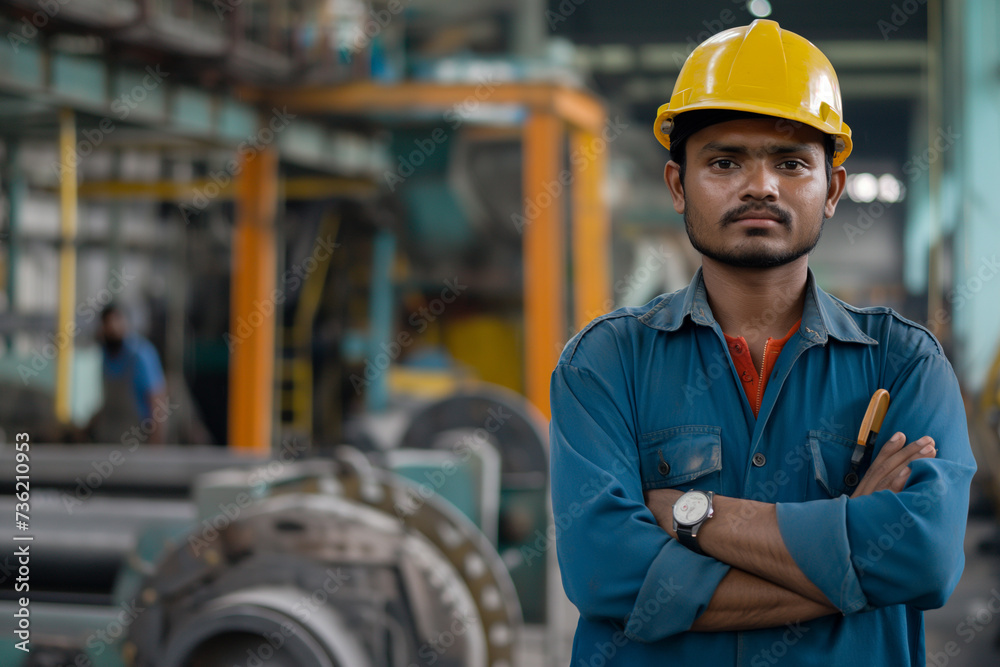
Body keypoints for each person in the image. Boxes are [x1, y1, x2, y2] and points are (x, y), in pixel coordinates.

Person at [549, 19, 976, 666]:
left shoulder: (905, 363)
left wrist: (693, 514)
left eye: (791, 162)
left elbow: (924, 557)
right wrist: (851, 560)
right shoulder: (605, 365)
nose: (761, 186)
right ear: (677, 185)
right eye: (725, 162)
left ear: (832, 190)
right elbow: (606, 570)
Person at [87, 303, 168, 445]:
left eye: (116, 321)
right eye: (107, 323)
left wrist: (156, 442)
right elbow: (109, 403)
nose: (112, 327)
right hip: (110, 439)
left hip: (136, 439)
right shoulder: (106, 355)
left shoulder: (140, 355)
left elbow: (156, 400)